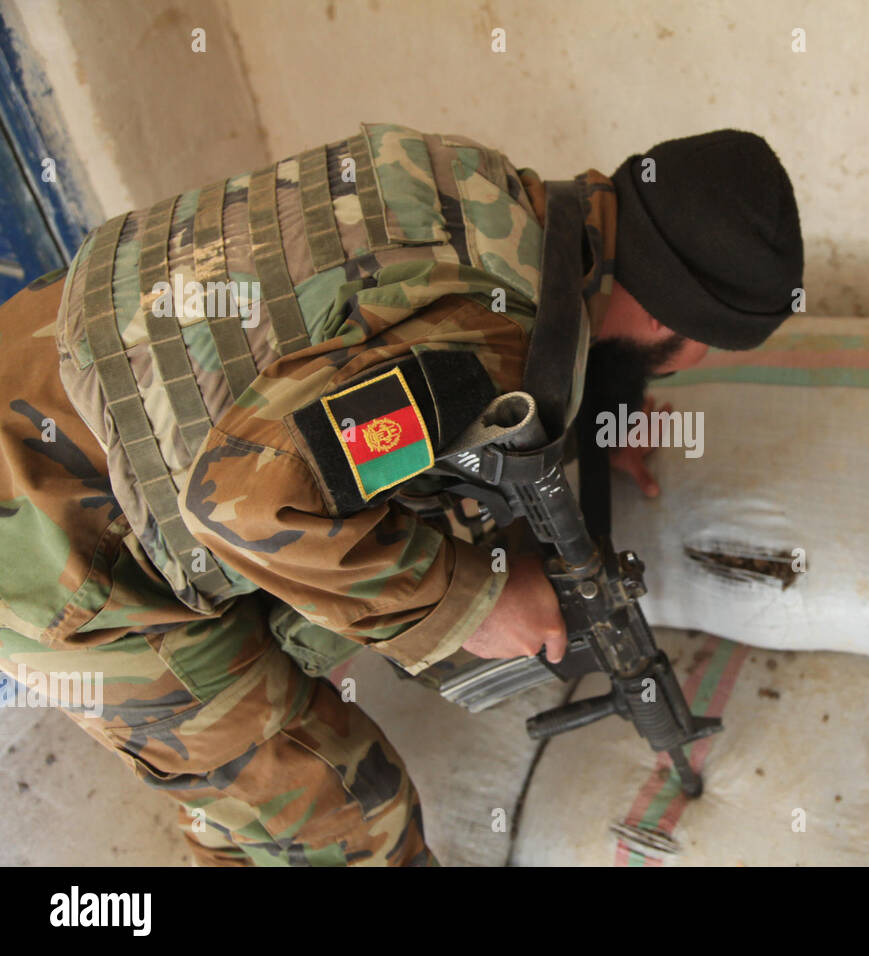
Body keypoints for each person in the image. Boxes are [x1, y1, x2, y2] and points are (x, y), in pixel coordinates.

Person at [0, 124, 802, 865]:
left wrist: (597, 405)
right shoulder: (485, 348)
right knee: (348, 818)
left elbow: (372, 342)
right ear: (683, 326)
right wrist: (479, 599)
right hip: (63, 528)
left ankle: (232, 819)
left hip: (50, 352)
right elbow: (248, 503)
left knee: (259, 783)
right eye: (693, 354)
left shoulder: (495, 196)